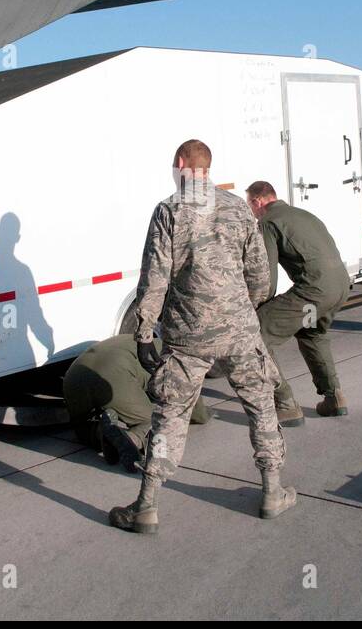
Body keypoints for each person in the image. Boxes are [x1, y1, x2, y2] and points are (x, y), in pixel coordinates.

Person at [109, 140, 295, 535]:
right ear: (208, 168)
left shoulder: (169, 210)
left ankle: (147, 505)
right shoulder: (237, 207)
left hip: (188, 335)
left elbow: (155, 277)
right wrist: (243, 307)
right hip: (239, 330)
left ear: (180, 164)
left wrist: (144, 331)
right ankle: (272, 492)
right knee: (261, 405)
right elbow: (260, 273)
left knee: (170, 415)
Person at [246, 181, 351, 425]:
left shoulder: (267, 222)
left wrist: (256, 308)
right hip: (340, 287)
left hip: (314, 292)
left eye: (250, 206)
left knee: (253, 336)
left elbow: (266, 278)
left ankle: (285, 404)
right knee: (312, 335)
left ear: (257, 202)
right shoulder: (304, 214)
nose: (251, 212)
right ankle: (334, 397)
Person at [62, 332, 211, 471]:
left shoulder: (143, 340)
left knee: (81, 428)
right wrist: (204, 415)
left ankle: (100, 433)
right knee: (155, 421)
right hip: (113, 377)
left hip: (73, 377)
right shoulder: (181, 357)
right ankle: (133, 439)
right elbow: (191, 400)